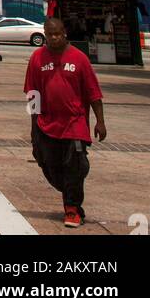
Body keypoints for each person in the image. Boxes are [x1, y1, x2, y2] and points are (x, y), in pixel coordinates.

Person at [25, 16, 106, 229]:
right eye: (50, 34)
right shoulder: (37, 58)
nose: (54, 38)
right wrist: (34, 127)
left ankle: (71, 209)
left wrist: (100, 121)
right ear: (45, 34)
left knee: (75, 165)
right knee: (50, 166)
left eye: (58, 33)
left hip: (75, 124)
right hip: (46, 124)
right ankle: (72, 191)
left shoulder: (79, 59)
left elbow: (93, 93)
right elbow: (33, 93)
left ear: (64, 33)